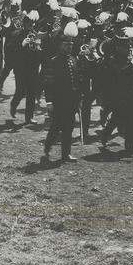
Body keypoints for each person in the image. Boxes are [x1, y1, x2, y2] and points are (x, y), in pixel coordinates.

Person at [42, 23, 84, 162]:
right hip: (59, 101)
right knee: (56, 127)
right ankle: (47, 147)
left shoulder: (74, 61)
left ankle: (66, 154)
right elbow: (48, 84)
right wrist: (49, 102)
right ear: (60, 46)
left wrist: (80, 98)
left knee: (69, 129)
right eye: (66, 45)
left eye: (71, 45)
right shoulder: (53, 62)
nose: (69, 47)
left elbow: (78, 82)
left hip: (71, 101)